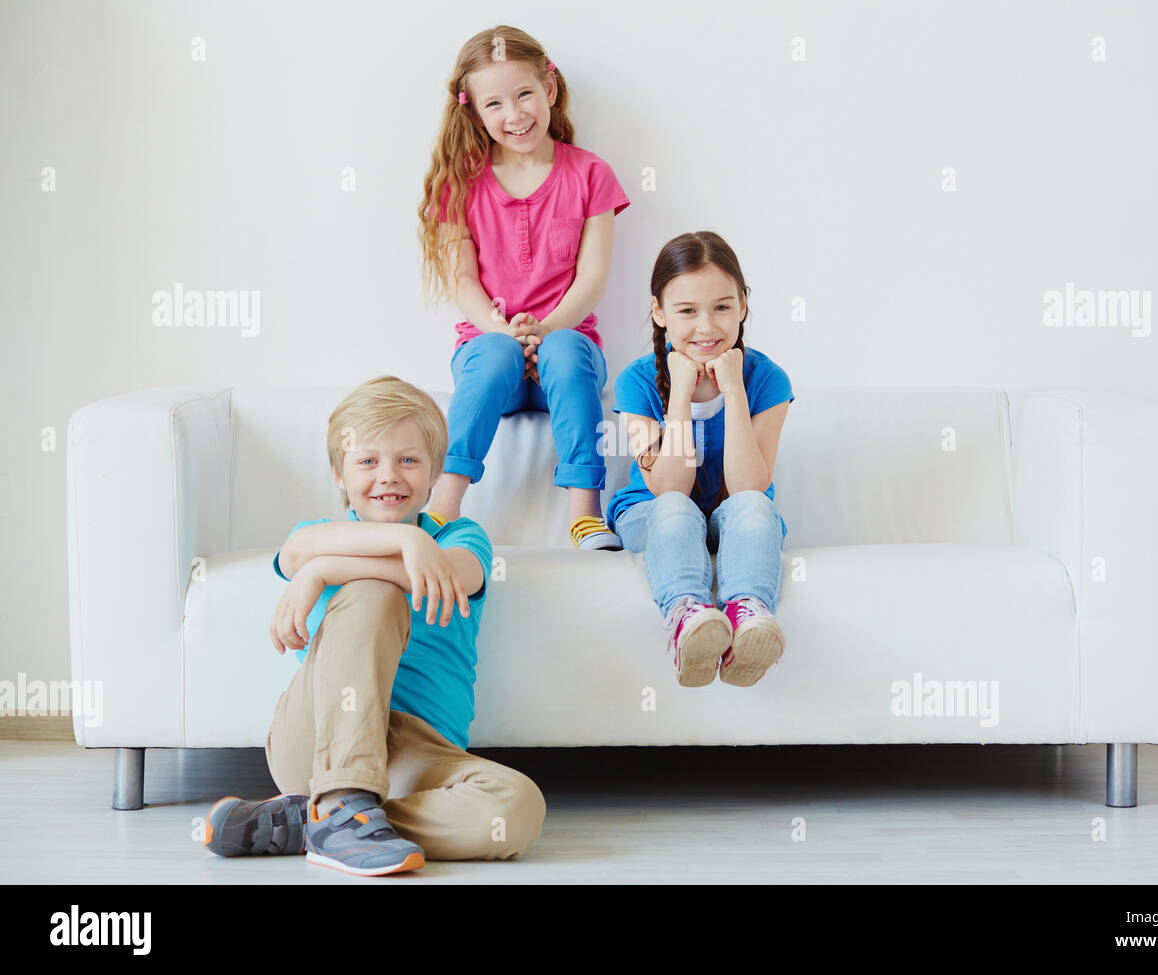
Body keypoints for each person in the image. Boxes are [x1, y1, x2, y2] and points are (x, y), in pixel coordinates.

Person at [203, 376, 545, 876]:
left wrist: (331, 569)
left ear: (434, 475)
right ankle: (339, 801)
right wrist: (403, 546)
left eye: (408, 460)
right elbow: (297, 553)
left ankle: (317, 820)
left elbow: (447, 578)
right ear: (340, 476)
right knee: (374, 592)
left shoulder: (461, 537)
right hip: (317, 740)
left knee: (518, 808)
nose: (389, 476)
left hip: (416, 753)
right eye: (368, 461)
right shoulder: (317, 537)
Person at [417, 25, 629, 549]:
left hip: (566, 348)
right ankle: (443, 506)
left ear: (550, 89)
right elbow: (463, 279)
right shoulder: (461, 183)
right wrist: (504, 332)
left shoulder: (590, 175)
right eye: (495, 104)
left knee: (562, 348)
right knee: (490, 353)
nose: (514, 115)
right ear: (473, 112)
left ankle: (584, 515)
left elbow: (593, 277)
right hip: (493, 350)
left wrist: (547, 328)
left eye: (524, 94)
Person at [607, 232, 795, 688]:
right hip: (653, 512)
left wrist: (733, 390)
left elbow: (749, 486)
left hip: (733, 515)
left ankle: (746, 613)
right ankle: (687, 616)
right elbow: (670, 486)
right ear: (659, 312)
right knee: (677, 508)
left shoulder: (767, 379)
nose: (706, 327)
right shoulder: (636, 381)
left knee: (756, 506)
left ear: (744, 304)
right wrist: (682, 392)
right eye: (687, 311)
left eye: (722, 307)